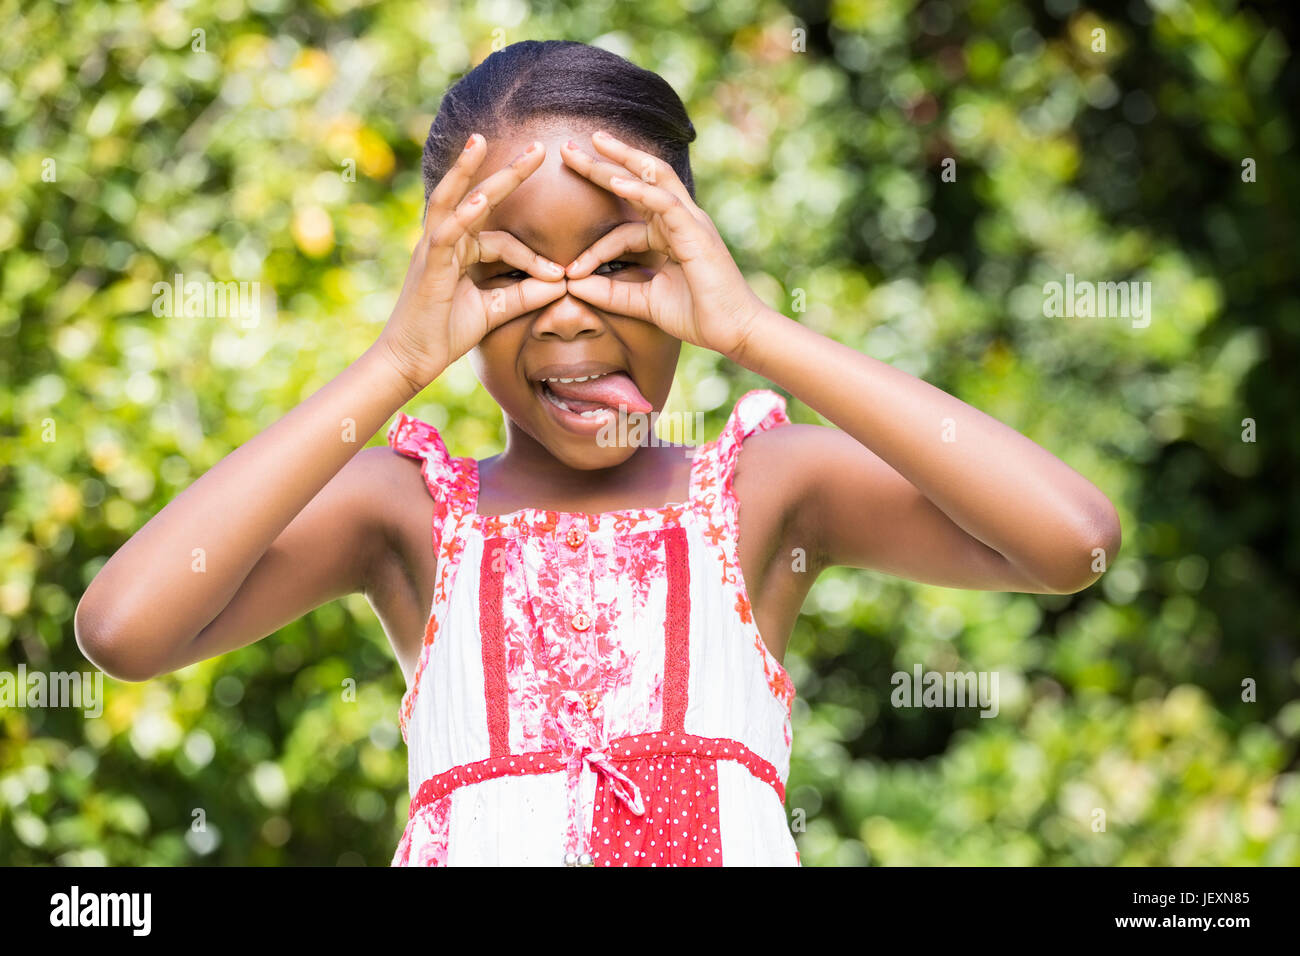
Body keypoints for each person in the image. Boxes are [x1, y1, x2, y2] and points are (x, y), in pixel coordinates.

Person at [74, 40, 1121, 866]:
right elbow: (125, 627)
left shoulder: (762, 494)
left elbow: (1070, 541)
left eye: (622, 262)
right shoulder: (405, 517)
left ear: (691, 254)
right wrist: (395, 359)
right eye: (510, 273)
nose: (569, 316)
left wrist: (755, 329)